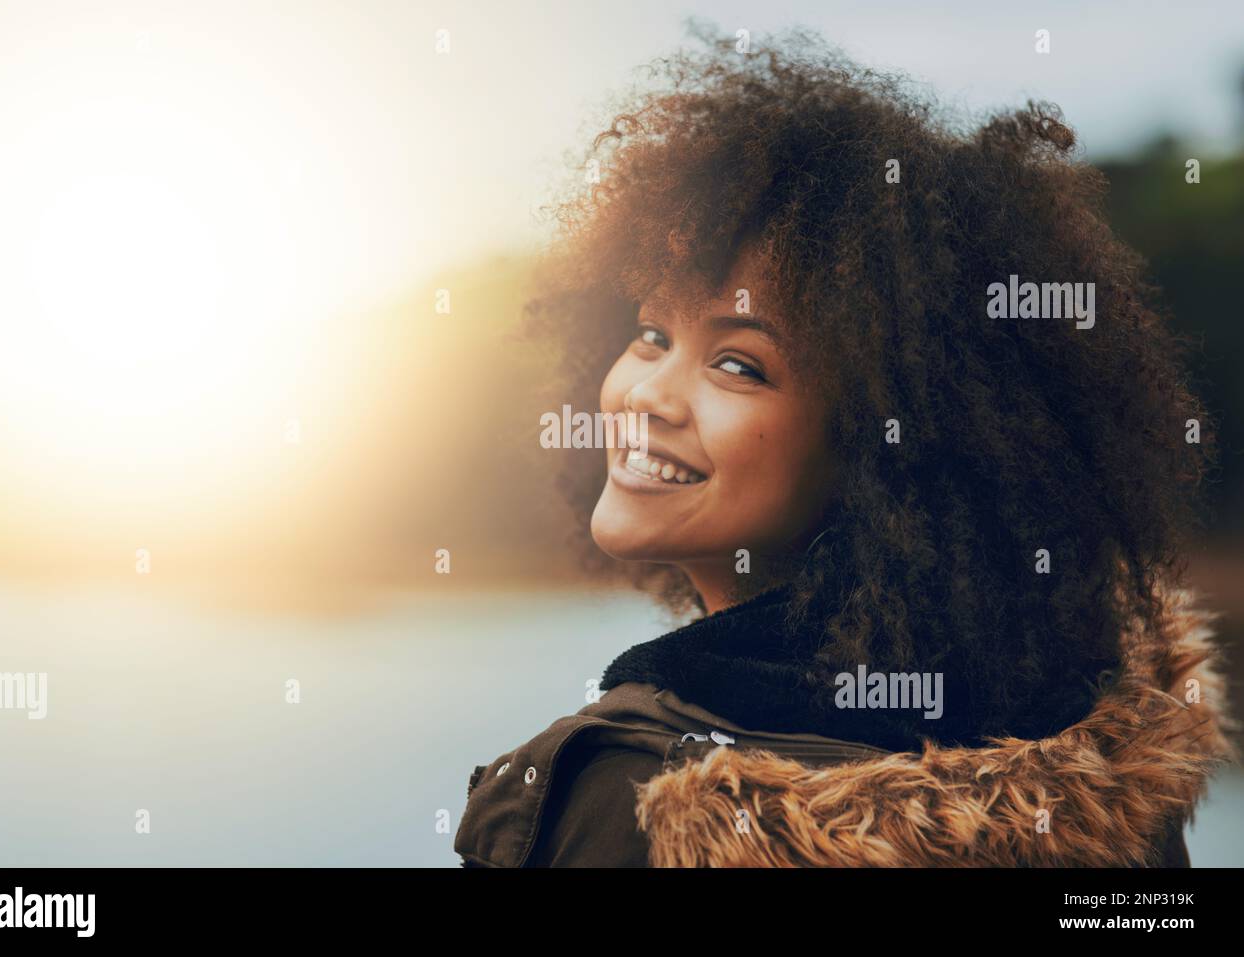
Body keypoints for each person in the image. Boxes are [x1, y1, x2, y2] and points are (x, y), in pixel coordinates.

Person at [454, 28, 1235, 867]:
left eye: (736, 363)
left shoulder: (618, 801)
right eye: (650, 332)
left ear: (887, 455)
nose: (644, 392)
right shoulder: (1109, 774)